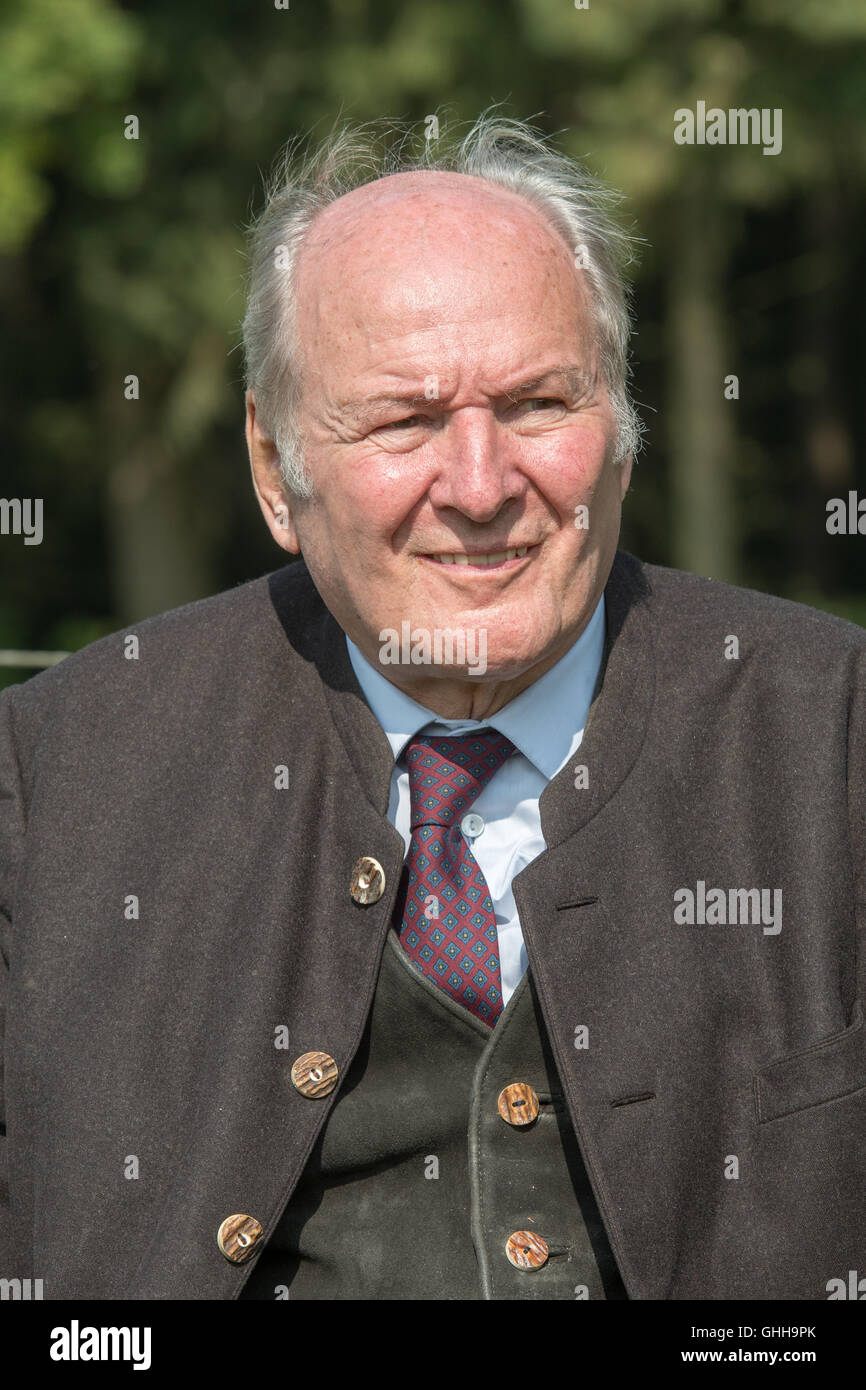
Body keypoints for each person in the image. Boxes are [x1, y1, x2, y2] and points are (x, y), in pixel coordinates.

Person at [1, 115, 864, 1302]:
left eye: (537, 404)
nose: (478, 484)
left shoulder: (837, 739)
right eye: (404, 420)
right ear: (273, 466)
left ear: (617, 434)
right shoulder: (63, 775)